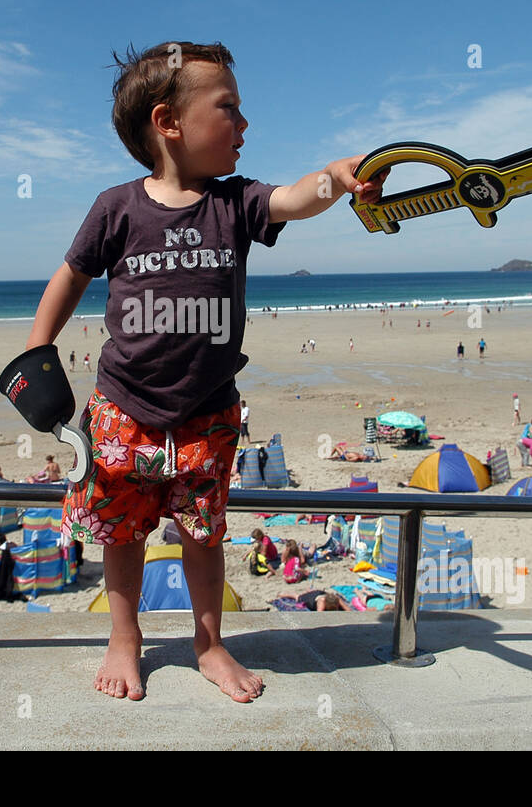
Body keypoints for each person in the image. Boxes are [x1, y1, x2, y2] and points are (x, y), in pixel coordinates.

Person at [20, 41, 387, 703]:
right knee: (121, 535)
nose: (244, 126)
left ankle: (209, 643)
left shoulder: (235, 203)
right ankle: (124, 637)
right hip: (122, 409)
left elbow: (299, 200)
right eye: (229, 109)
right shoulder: (117, 207)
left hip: (208, 412)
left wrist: (338, 174)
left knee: (203, 536)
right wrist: (36, 354)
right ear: (168, 122)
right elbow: (70, 275)